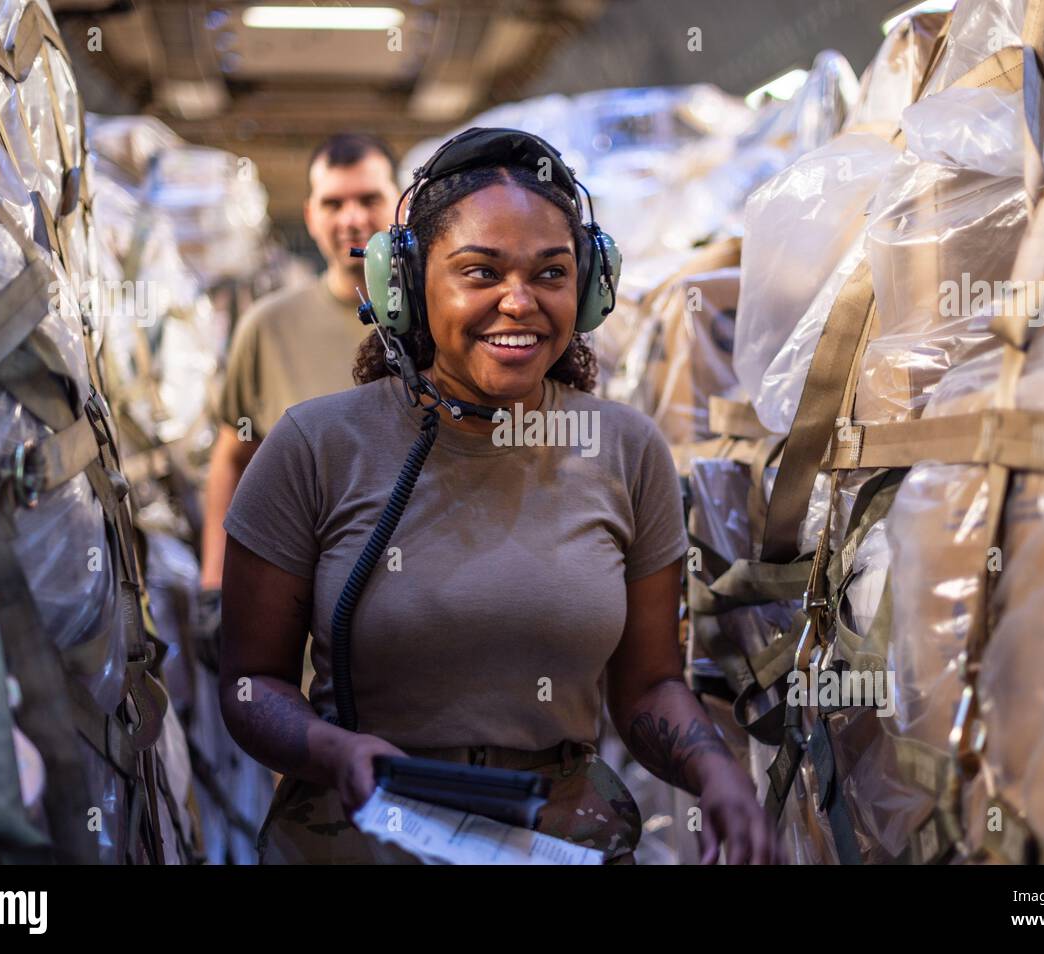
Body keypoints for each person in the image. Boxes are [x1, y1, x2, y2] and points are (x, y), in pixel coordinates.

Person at [218, 129, 774, 865]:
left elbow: (647, 687)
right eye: (480, 273)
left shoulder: (627, 451)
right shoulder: (314, 447)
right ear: (407, 287)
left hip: (557, 836)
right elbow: (251, 684)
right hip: (361, 833)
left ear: (591, 287)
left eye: (552, 272)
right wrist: (330, 749)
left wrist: (718, 775)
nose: (520, 303)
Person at [199, 133, 401, 594]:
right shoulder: (267, 327)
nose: (352, 218)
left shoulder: (444, 321)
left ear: (401, 207)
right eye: (333, 203)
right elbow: (233, 455)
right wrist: (216, 578)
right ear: (311, 216)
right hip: (302, 623)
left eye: (370, 198)